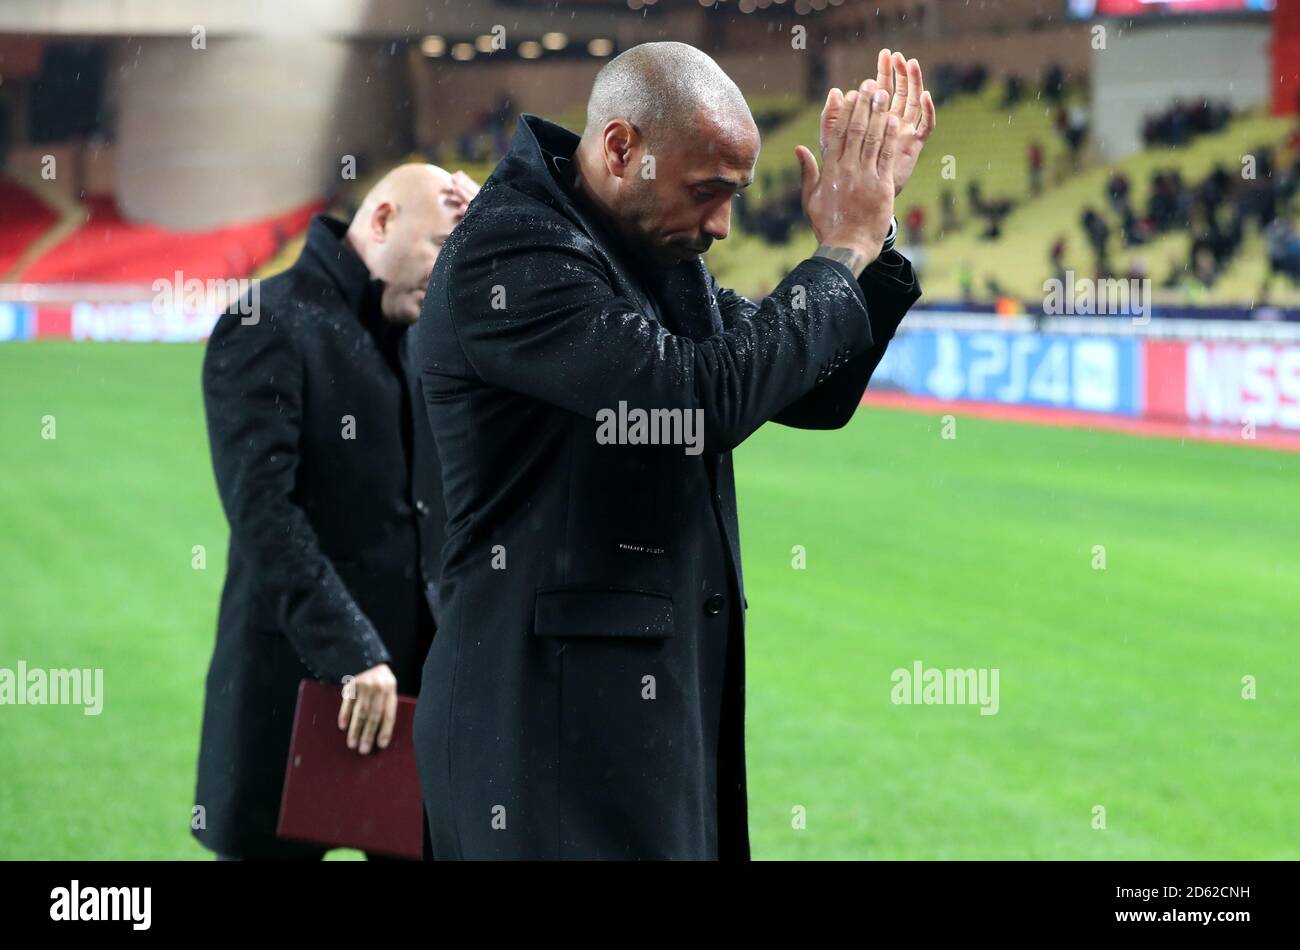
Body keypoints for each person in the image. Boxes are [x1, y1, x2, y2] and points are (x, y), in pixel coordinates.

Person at [412, 42, 932, 860]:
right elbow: (692, 404)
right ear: (622, 149)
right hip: (541, 736)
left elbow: (812, 392)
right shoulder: (511, 250)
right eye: (707, 192)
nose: (722, 225)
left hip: (632, 724)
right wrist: (839, 253)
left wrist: (873, 232)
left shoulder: (645, 248)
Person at [192, 164, 477, 860]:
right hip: (289, 694)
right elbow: (263, 513)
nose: (448, 275)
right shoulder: (268, 322)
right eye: (441, 245)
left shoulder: (423, 338)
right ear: (381, 222)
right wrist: (352, 649)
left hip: (414, 704)